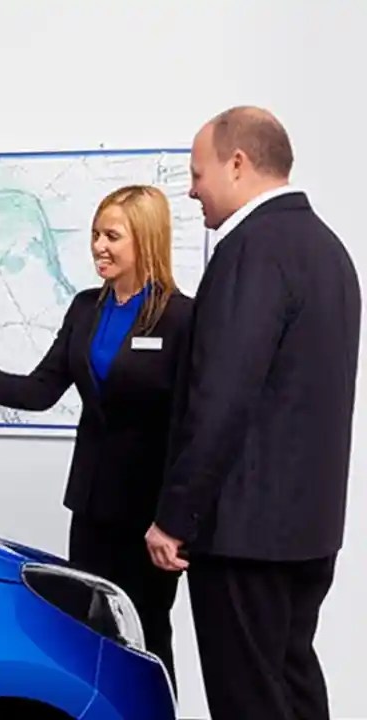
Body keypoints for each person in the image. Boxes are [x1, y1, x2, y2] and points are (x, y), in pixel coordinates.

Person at [145, 106, 360, 720]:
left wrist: (175, 517)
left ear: (237, 163)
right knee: (293, 689)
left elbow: (222, 397)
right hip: (308, 533)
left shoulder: (250, 250)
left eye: (197, 174)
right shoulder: (329, 250)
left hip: (243, 538)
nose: (192, 190)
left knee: (248, 702)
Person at [0, 184, 192, 683]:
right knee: (90, 630)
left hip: (149, 515)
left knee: (146, 635)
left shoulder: (182, 317)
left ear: (146, 238)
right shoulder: (85, 307)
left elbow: (191, 423)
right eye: (96, 234)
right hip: (92, 505)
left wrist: (178, 516)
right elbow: (42, 389)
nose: (99, 246)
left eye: (112, 236)